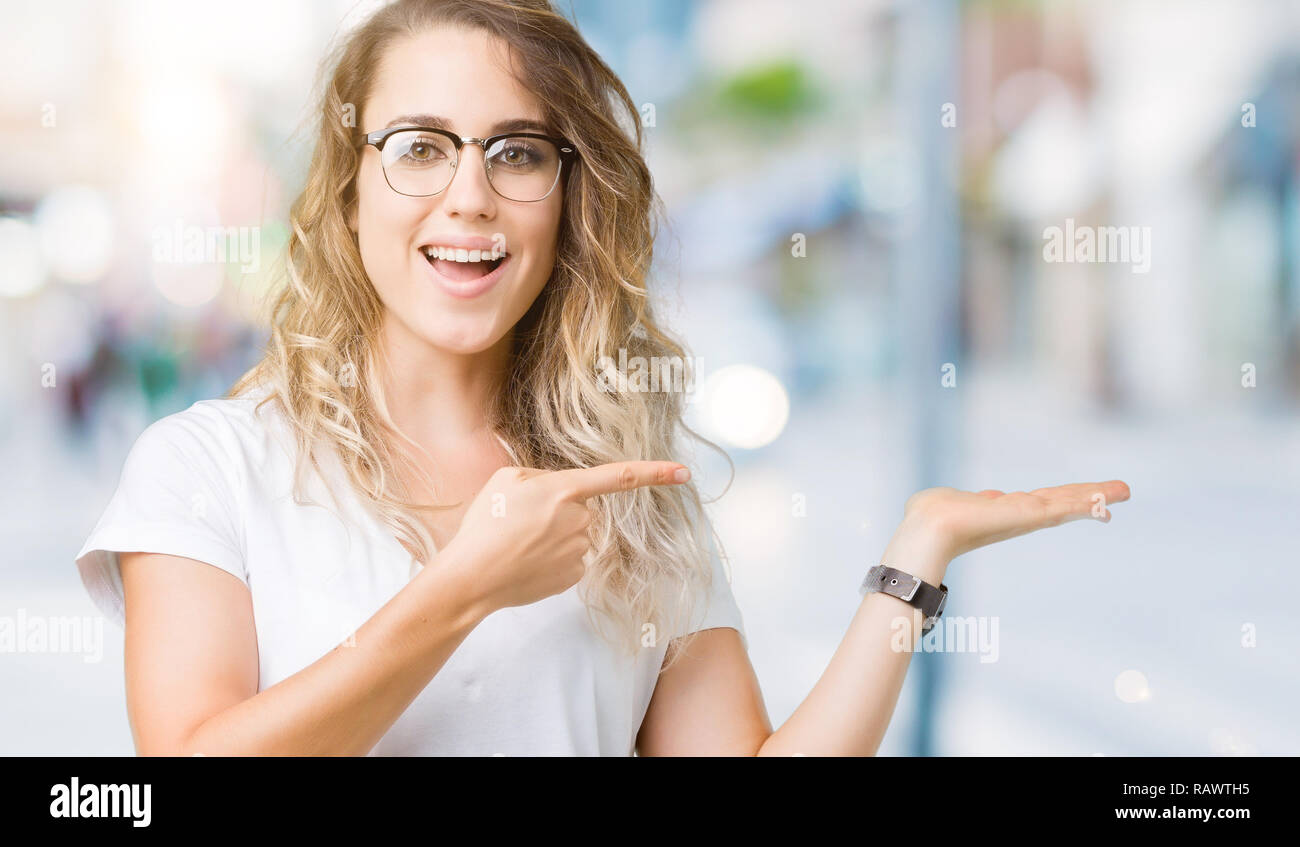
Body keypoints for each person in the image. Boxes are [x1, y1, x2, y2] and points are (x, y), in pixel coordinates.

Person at [75, 0, 1130, 756]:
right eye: (419, 147)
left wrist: (914, 562)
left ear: (567, 199)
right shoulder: (206, 470)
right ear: (349, 194)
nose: (470, 197)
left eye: (519, 152)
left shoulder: (627, 492)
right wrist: (462, 588)